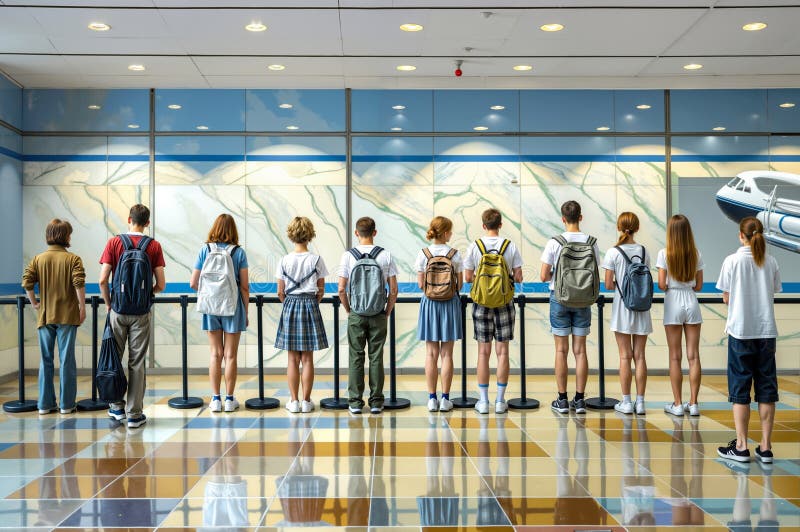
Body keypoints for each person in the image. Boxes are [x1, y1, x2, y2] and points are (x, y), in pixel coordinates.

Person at [716, 216, 781, 464]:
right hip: (766, 333)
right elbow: (773, 289)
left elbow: (726, 297)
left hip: (740, 332)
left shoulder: (731, 261)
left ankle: (741, 446)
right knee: (766, 389)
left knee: (740, 389)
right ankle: (765, 447)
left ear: (741, 235)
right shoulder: (770, 261)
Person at [99, 204, 166, 428]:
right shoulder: (153, 245)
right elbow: (162, 285)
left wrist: (110, 305)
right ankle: (134, 414)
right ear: (147, 222)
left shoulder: (114, 242)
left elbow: (102, 280)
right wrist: (147, 294)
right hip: (141, 313)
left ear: (129, 219)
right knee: (137, 362)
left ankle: (116, 408)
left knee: (114, 358)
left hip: (117, 311)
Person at [540, 201, 600, 415]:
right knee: (580, 350)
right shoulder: (591, 242)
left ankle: (562, 400)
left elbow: (543, 275)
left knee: (561, 350)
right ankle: (581, 400)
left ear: (563, 219)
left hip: (560, 298)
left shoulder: (555, 242)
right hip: (584, 299)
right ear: (580, 217)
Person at [22, 219, 86, 415]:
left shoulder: (38, 259)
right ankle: (66, 405)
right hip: (68, 315)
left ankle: (44, 404)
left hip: (45, 315)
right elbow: (78, 283)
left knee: (46, 360)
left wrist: (34, 303)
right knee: (67, 360)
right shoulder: (73, 259)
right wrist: (82, 306)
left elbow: (27, 282)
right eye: (69, 234)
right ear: (65, 236)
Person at [463, 208, 523, 415]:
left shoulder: (475, 246)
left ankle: (483, 401)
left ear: (483, 225)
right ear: (500, 224)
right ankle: (500, 401)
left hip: (481, 303)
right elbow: (519, 276)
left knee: (483, 352)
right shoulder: (510, 246)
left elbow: (468, 278)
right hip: (504, 303)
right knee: (503, 351)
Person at [338, 216, 398, 414]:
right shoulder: (386, 255)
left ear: (356, 233)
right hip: (378, 313)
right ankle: (376, 402)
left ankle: (355, 402)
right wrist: (387, 311)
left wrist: (349, 309)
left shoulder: (348, 256)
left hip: (356, 313)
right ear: (375, 233)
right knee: (376, 357)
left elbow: (341, 289)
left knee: (355, 357)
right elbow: (394, 290)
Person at [190, 213, 249, 413]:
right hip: (233, 307)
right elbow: (245, 287)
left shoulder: (204, 250)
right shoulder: (239, 253)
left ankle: (215, 400)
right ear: (233, 230)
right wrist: (246, 312)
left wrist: (210, 293)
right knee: (231, 355)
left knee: (215, 354)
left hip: (210, 307)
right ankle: (230, 400)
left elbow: (193, 283)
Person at [275, 216, 329, 414]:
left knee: (292, 359)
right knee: (307, 358)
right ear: (310, 234)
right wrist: (312, 302)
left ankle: (294, 401)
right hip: (310, 305)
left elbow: (280, 291)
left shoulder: (284, 260)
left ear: (291, 235)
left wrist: (289, 302)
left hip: (290, 305)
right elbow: (320, 290)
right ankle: (307, 401)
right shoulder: (316, 259)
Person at [602, 212, 652, 415]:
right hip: (642, 308)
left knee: (625, 356)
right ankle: (640, 403)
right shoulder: (644, 251)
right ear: (637, 228)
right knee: (640, 356)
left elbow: (607, 283)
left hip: (622, 307)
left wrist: (621, 284)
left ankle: (626, 402)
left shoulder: (613, 253)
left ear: (619, 228)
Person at [657, 214, 704, 417]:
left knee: (675, 357)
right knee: (693, 356)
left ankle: (677, 404)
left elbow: (661, 284)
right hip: (691, 302)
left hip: (673, 301)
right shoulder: (696, 254)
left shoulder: (664, 254)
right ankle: (693, 403)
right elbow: (699, 285)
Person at [415, 216, 464, 413]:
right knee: (447, 354)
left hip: (429, 304)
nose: (451, 234)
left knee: (431, 353)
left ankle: (431, 399)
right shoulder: (455, 255)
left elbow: (420, 284)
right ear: (445, 233)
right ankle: (445, 399)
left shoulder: (423, 254)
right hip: (450, 304)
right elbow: (459, 285)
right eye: (450, 231)